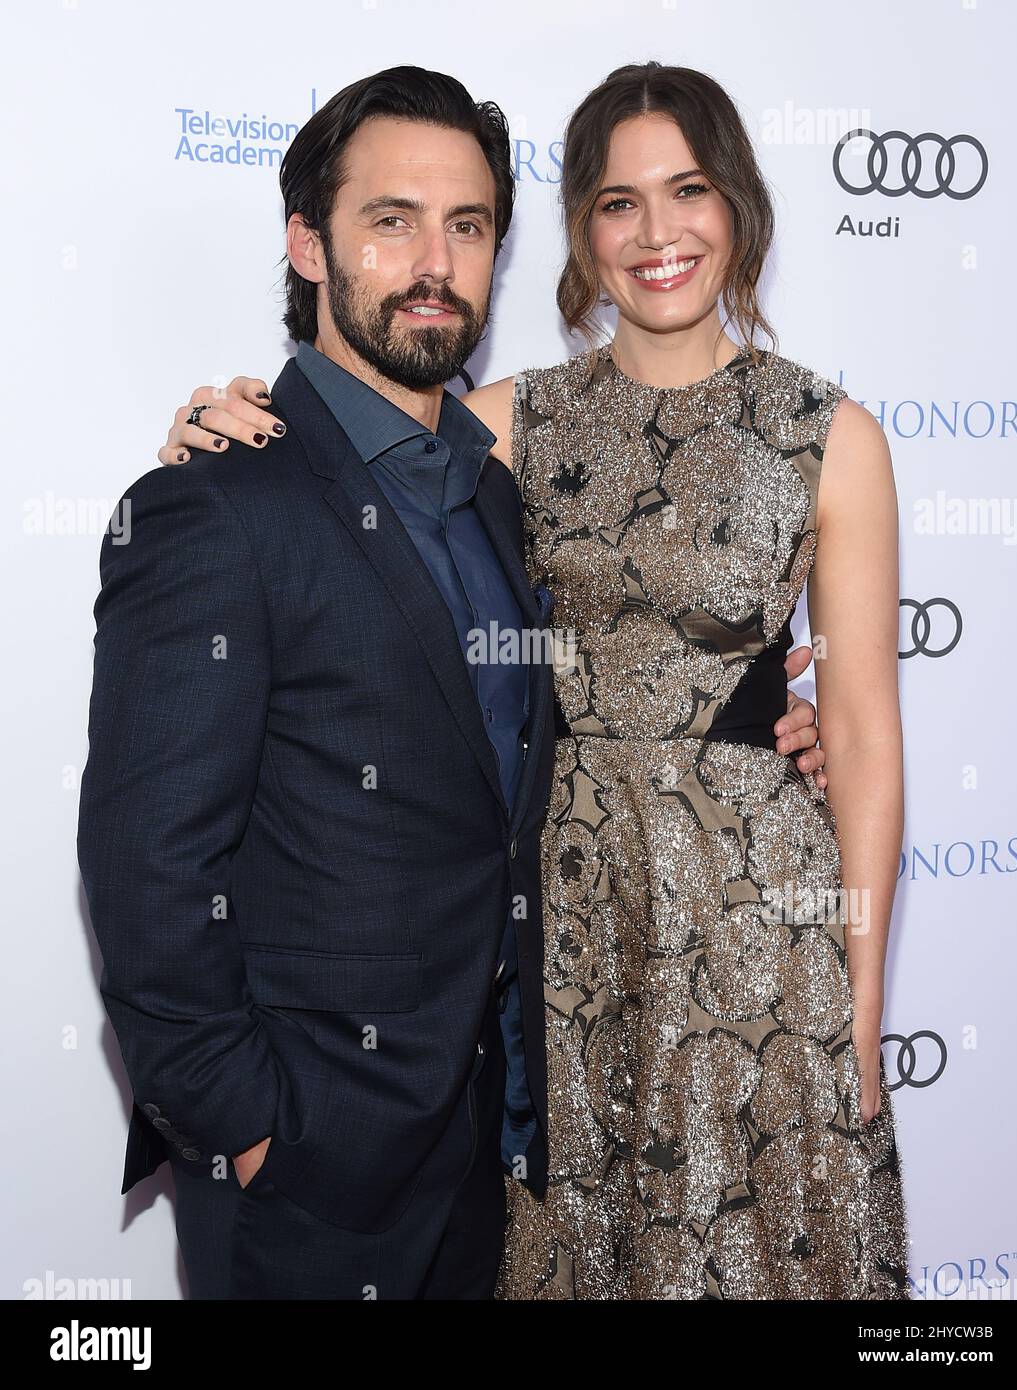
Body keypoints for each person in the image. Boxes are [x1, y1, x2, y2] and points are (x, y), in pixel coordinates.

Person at [147, 64, 865, 1302]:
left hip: (658, 998)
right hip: (492, 1024)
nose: (655, 232)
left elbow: (826, 718)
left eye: (466, 226)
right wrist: (211, 422)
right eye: (615, 201)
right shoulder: (494, 436)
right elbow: (159, 855)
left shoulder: (514, 470)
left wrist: (773, 734)